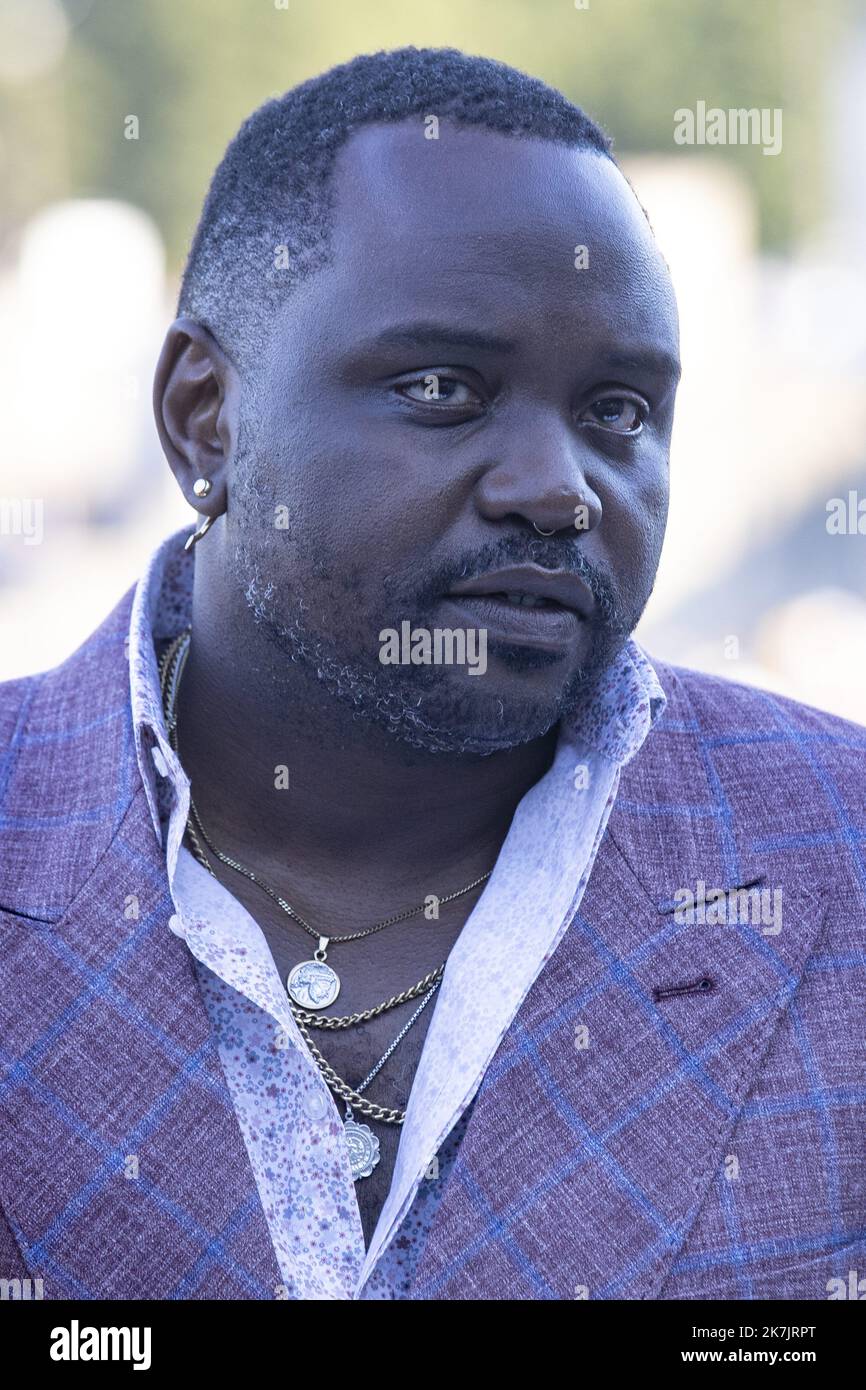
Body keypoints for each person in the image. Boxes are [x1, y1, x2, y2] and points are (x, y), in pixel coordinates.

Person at [1, 46, 864, 1302]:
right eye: (443, 388)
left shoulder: (836, 861)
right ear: (204, 414)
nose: (557, 489)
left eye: (617, 411)